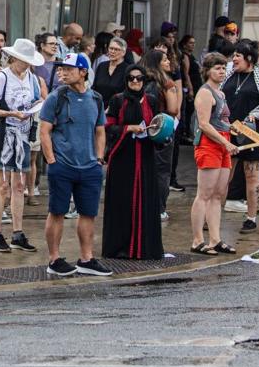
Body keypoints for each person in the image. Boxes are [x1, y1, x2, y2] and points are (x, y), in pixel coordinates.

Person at [39, 53, 111, 277]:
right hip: (63, 165)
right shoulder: (56, 97)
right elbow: (44, 131)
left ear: (83, 72)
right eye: (62, 68)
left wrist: (99, 159)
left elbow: (100, 131)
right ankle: (54, 259)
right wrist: (52, 160)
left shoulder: (96, 99)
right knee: (57, 211)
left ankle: (86, 258)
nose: (63, 72)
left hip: (89, 167)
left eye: (69, 69)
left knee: (88, 213)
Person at [0, 38, 45, 255]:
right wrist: (11, 113)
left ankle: (17, 233)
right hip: (4, 135)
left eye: (29, 61)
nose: (27, 65)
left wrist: (34, 107)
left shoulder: (33, 79)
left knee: (19, 184)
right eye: (24, 61)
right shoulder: (2, 77)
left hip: (23, 135)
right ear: (15, 58)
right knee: (2, 185)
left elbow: (39, 100)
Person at [102, 63, 164, 260]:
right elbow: (108, 127)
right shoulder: (118, 100)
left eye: (139, 78)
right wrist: (128, 129)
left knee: (145, 200)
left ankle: (145, 248)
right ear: (126, 80)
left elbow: (158, 124)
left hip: (145, 158)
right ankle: (121, 248)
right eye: (131, 78)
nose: (135, 82)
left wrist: (160, 134)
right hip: (123, 159)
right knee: (122, 203)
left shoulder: (152, 100)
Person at [220, 41, 259, 233]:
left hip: (253, 132)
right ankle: (214, 215)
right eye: (234, 55)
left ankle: (251, 218)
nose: (234, 58)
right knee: (223, 175)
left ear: (250, 59)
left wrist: (254, 115)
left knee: (252, 174)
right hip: (229, 130)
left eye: (239, 55)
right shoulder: (229, 75)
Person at [190, 52, 237, 255]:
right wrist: (225, 142)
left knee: (218, 195)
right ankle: (197, 239)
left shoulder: (221, 93)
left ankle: (215, 239)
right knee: (204, 194)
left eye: (223, 68)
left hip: (223, 144)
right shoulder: (205, 93)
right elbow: (204, 124)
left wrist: (231, 129)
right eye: (217, 68)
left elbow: (220, 121)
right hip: (209, 145)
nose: (221, 71)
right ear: (207, 71)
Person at [139, 49, 181, 219]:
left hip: (142, 130)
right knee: (162, 171)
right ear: (157, 63)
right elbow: (173, 109)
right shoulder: (167, 84)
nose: (168, 62)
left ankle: (143, 205)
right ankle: (160, 208)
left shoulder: (139, 80)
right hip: (162, 130)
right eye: (165, 60)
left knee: (144, 169)